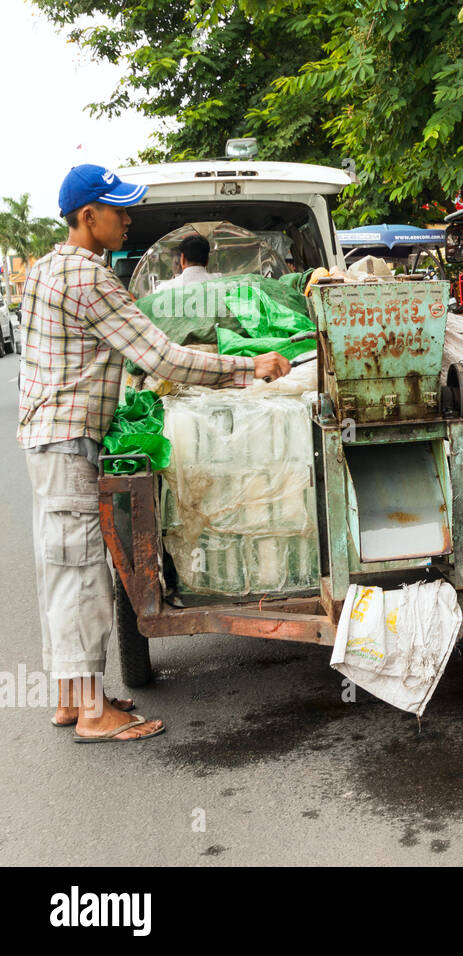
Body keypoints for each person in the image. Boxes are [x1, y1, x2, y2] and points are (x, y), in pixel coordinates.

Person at [20, 165, 291, 742]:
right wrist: (250, 367)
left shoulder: (49, 267)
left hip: (50, 438)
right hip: (68, 439)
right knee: (82, 571)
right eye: (118, 210)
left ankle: (74, 697)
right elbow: (162, 358)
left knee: (61, 566)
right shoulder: (86, 279)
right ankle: (93, 714)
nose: (127, 219)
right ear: (87, 216)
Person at [154, 234, 218, 291]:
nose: (178, 267)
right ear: (207, 260)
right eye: (176, 263)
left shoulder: (164, 288)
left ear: (183, 259)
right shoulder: (221, 282)